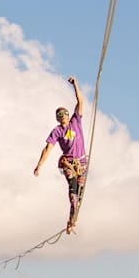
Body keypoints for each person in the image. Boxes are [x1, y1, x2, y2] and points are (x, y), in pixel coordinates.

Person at [33, 76, 87, 234]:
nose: (63, 116)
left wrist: (75, 85)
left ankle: (71, 221)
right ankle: (72, 221)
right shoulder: (57, 131)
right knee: (73, 192)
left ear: (68, 115)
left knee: (79, 195)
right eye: (60, 114)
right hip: (69, 164)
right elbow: (47, 148)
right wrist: (39, 166)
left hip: (82, 163)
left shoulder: (75, 122)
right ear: (57, 118)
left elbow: (80, 101)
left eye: (65, 113)